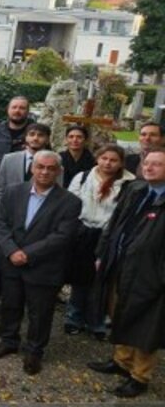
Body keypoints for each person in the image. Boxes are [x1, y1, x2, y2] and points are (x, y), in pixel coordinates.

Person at [0, 150, 81, 375]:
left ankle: (34, 350)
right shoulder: (12, 192)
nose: (45, 172)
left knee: (40, 312)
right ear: (32, 168)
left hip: (43, 267)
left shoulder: (70, 202)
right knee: (10, 305)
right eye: (40, 167)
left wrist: (27, 254)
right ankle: (8, 341)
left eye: (51, 168)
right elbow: (1, 224)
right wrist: (11, 251)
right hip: (11, 262)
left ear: (58, 171)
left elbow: (62, 236)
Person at [88, 148, 165, 397]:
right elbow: (115, 223)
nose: (149, 167)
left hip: (150, 274)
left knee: (146, 326)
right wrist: (102, 254)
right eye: (147, 162)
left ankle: (140, 376)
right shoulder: (135, 189)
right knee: (119, 312)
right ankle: (121, 361)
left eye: (157, 164)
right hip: (120, 265)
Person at [65, 144, 133, 337]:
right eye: (104, 158)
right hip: (83, 232)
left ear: (120, 163)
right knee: (80, 277)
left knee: (101, 280)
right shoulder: (83, 177)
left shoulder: (129, 184)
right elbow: (71, 203)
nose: (108, 163)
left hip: (108, 235)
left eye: (113, 160)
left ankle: (96, 322)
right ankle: (74, 317)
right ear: (97, 158)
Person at [0, 123, 53, 200]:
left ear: (47, 140)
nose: (35, 138)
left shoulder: (54, 163)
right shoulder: (8, 160)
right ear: (26, 137)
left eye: (40, 135)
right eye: (32, 134)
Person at [60, 124, 95, 188]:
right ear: (66, 139)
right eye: (71, 137)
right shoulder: (59, 158)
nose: (75, 140)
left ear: (86, 140)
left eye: (79, 137)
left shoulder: (93, 160)